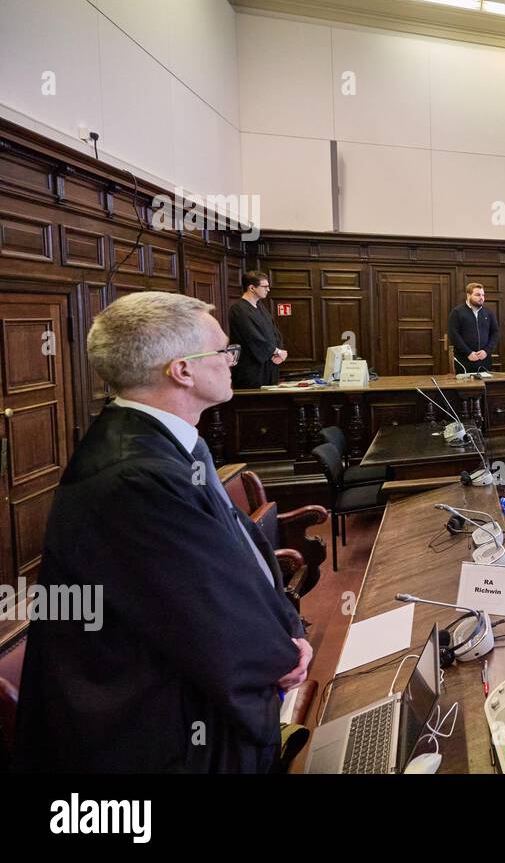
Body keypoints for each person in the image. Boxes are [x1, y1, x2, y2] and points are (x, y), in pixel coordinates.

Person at [15, 292, 310, 773]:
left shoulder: (161, 442)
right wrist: (282, 654)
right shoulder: (135, 475)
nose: (232, 361)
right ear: (183, 370)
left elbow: (234, 560)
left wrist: (286, 633)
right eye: (223, 352)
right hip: (155, 736)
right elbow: (202, 606)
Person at [228, 270, 286, 389]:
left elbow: (274, 331)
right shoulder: (238, 309)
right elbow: (252, 337)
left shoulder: (260, 307)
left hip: (270, 364)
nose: (268, 290)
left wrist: (279, 351)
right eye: (264, 286)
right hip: (251, 369)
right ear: (252, 288)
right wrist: (275, 352)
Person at [448, 282, 499, 373]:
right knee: (465, 386)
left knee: (485, 386)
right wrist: (468, 353)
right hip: (464, 359)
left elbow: (495, 333)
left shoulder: (488, 313)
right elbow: (454, 335)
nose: (481, 298)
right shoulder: (457, 312)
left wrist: (486, 351)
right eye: (478, 295)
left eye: (483, 295)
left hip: (484, 359)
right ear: (468, 295)